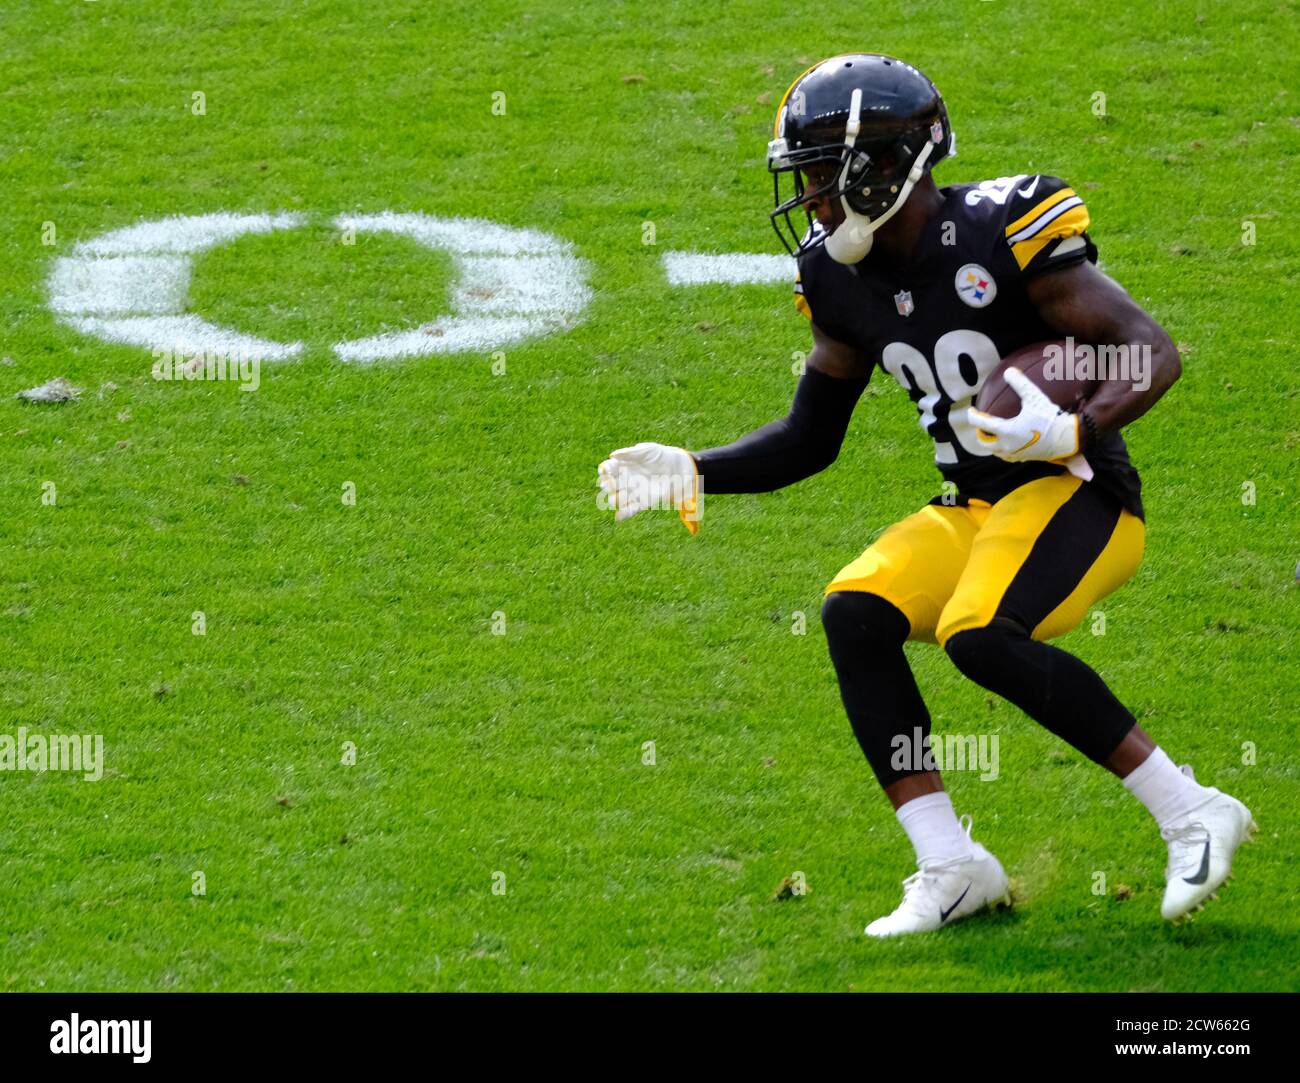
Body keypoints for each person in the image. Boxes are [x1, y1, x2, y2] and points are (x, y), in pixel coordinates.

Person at [598, 54, 1255, 936]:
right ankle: (951, 864)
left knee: (976, 633)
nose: (812, 197)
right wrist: (693, 466)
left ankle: (1192, 809)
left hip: (1081, 493)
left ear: (882, 165)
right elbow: (810, 438)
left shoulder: (1002, 229)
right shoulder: (836, 275)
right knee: (853, 610)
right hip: (975, 504)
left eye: (824, 174)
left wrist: (1076, 430)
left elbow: (1149, 349)